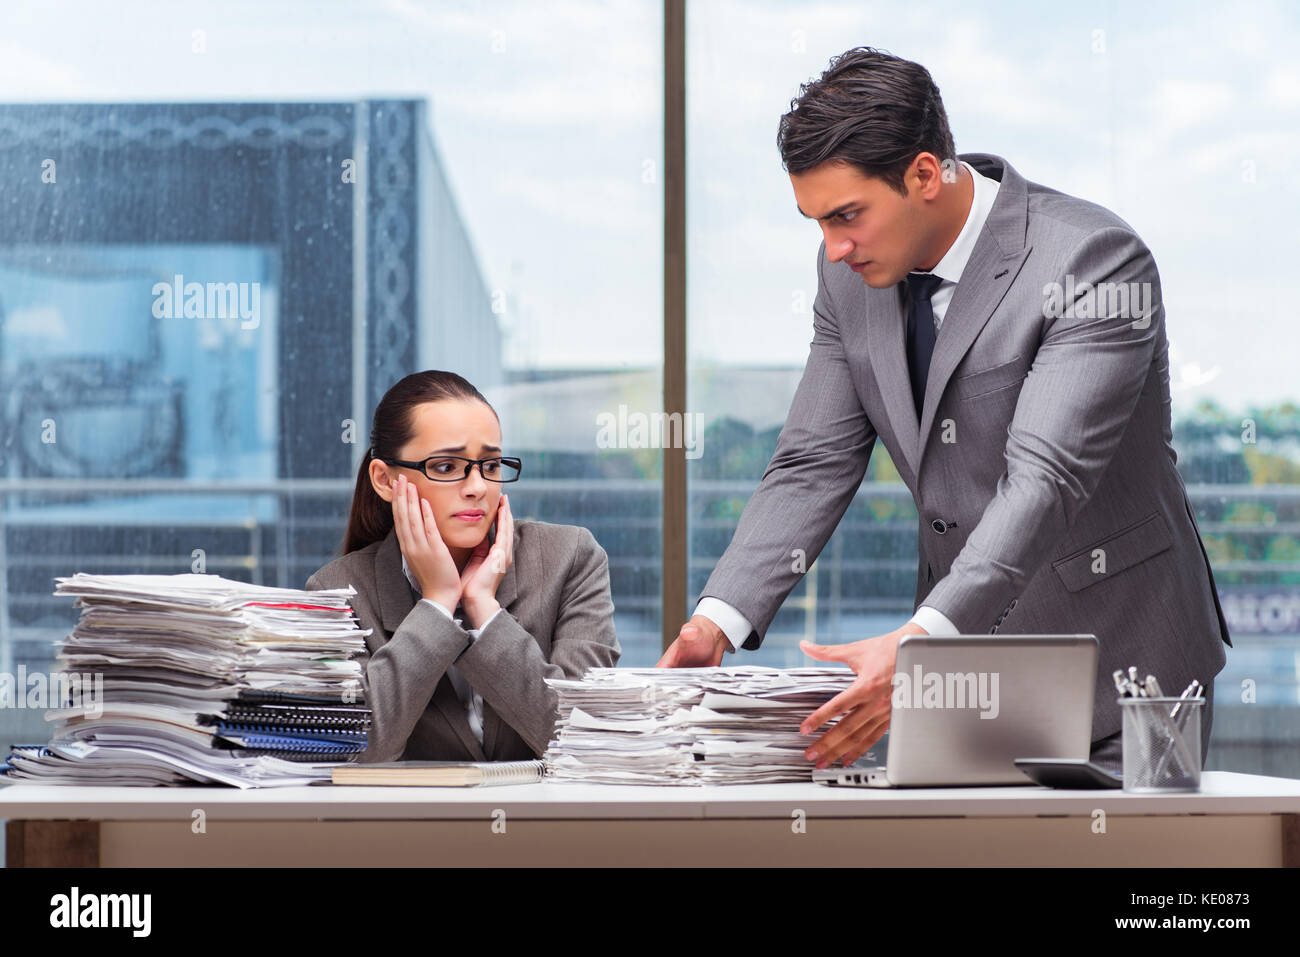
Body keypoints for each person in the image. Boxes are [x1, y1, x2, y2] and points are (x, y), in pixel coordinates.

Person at [657, 47, 1230, 774]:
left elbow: (1044, 479)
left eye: (846, 216)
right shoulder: (848, 280)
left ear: (925, 174)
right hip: (959, 671)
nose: (833, 249)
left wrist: (922, 640)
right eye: (816, 223)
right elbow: (813, 460)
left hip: (1124, 672)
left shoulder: (1091, 261)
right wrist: (718, 620)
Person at [307, 370, 620, 763]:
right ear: (384, 480)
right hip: (411, 823)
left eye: (490, 465)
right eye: (446, 467)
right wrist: (437, 604)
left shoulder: (571, 558)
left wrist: (485, 610)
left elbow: (585, 740)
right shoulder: (336, 592)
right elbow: (358, 748)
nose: (476, 487)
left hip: (547, 822)